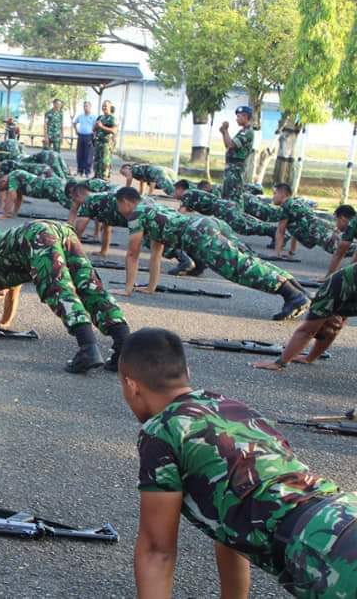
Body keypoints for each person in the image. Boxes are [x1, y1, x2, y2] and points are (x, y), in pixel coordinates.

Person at [120, 327, 357, 598]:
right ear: (188, 371)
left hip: (323, 548)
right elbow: (231, 529)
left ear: (131, 385)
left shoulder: (162, 431)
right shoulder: (233, 408)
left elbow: (156, 551)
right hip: (343, 510)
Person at [0, 219, 131, 373]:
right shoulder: (8, 271)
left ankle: (88, 348)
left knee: (57, 288)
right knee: (89, 287)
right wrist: (4, 322)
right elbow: (13, 294)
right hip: (62, 231)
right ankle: (124, 347)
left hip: (37, 234)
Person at [114, 187, 310, 321]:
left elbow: (133, 254)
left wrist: (127, 289)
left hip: (198, 235)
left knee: (238, 268)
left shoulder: (136, 215)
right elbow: (156, 253)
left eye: (118, 205)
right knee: (248, 259)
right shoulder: (149, 204)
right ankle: (298, 290)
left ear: (125, 202)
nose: (118, 210)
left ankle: (292, 295)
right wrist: (150, 287)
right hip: (207, 223)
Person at [253, 262, 357, 372]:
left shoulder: (327, 297)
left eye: (318, 331)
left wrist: (279, 363)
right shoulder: (341, 301)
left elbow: (306, 332)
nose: (332, 329)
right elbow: (332, 329)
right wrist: (309, 358)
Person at [174, 180, 276, 239]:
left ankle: (272, 231)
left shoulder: (186, 194)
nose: (174, 194)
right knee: (245, 221)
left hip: (223, 209)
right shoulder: (191, 193)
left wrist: (173, 221)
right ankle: (272, 231)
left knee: (242, 227)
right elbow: (190, 209)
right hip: (225, 207)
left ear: (180, 189)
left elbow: (181, 214)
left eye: (175, 191)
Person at [272, 183, 343, 258]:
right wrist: (291, 253)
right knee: (347, 247)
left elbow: (280, 232)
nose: (273, 197)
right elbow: (295, 231)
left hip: (324, 235)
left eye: (275, 193)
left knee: (346, 249)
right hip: (327, 229)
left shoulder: (286, 207)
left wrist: (276, 254)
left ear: (283, 194)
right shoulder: (295, 203)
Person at [220, 105, 255, 204]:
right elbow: (228, 144)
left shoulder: (247, 132)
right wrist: (224, 132)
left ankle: (236, 216)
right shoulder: (243, 131)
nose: (237, 119)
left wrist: (226, 130)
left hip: (236, 168)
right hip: (232, 167)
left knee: (234, 195)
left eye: (238, 116)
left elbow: (231, 145)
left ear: (245, 116)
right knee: (227, 194)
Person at [325, 205, 357, 277]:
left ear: (342, 218)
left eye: (337, 220)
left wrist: (328, 277)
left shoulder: (352, 223)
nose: (336, 224)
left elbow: (340, 253)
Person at [93, 101, 118, 179]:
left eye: (106, 106)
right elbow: (94, 129)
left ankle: (104, 179)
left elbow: (114, 130)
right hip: (98, 143)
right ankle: (96, 178)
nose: (104, 107)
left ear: (110, 107)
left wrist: (101, 126)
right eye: (103, 106)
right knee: (97, 162)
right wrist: (96, 127)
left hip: (106, 144)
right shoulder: (100, 117)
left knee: (105, 163)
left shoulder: (112, 118)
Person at [72, 101, 96, 176]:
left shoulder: (93, 117)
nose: (85, 108)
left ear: (90, 107)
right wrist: (76, 131)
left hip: (89, 136)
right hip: (81, 136)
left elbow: (96, 127)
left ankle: (87, 172)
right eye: (84, 106)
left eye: (87, 106)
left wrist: (94, 137)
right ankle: (80, 171)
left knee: (88, 155)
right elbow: (74, 123)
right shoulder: (81, 116)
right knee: (80, 154)